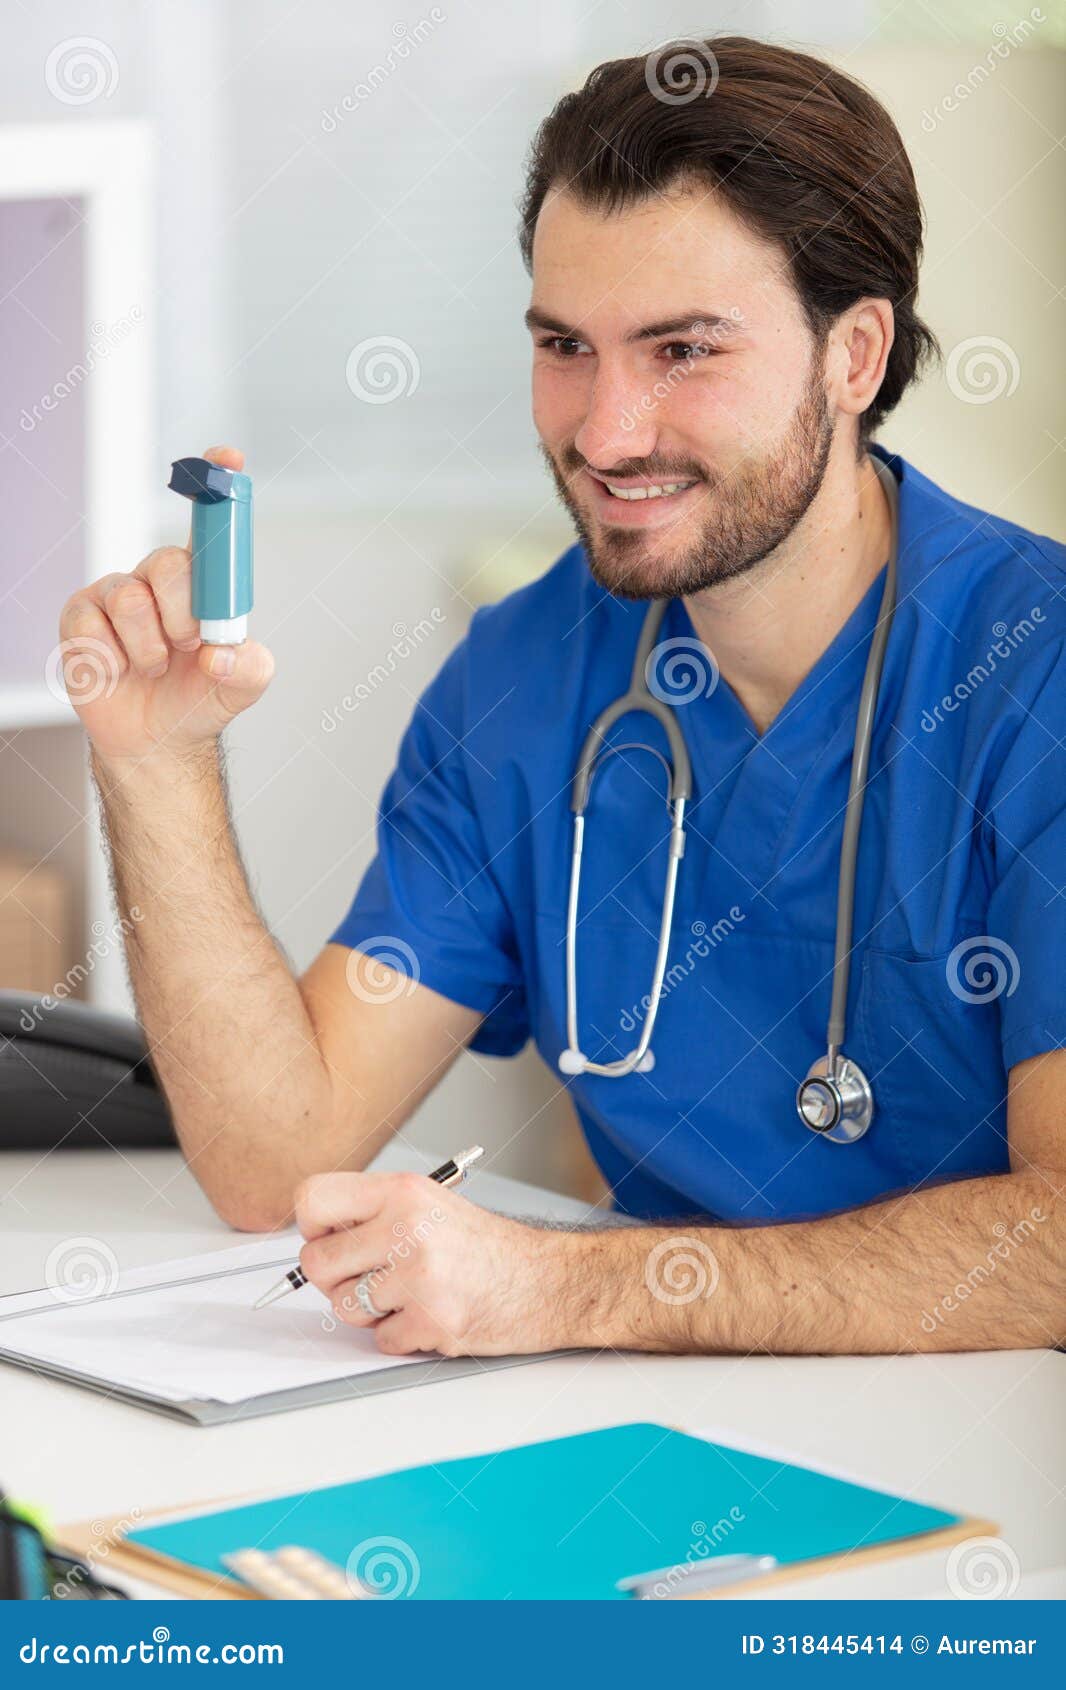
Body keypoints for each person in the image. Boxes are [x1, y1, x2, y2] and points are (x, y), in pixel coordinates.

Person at [59, 37, 1064, 1357]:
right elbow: (272, 1156)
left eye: (682, 350)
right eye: (563, 346)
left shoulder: (1025, 673)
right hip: (651, 1428)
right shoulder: (526, 680)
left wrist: (564, 1286)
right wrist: (157, 760)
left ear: (853, 354)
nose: (603, 431)